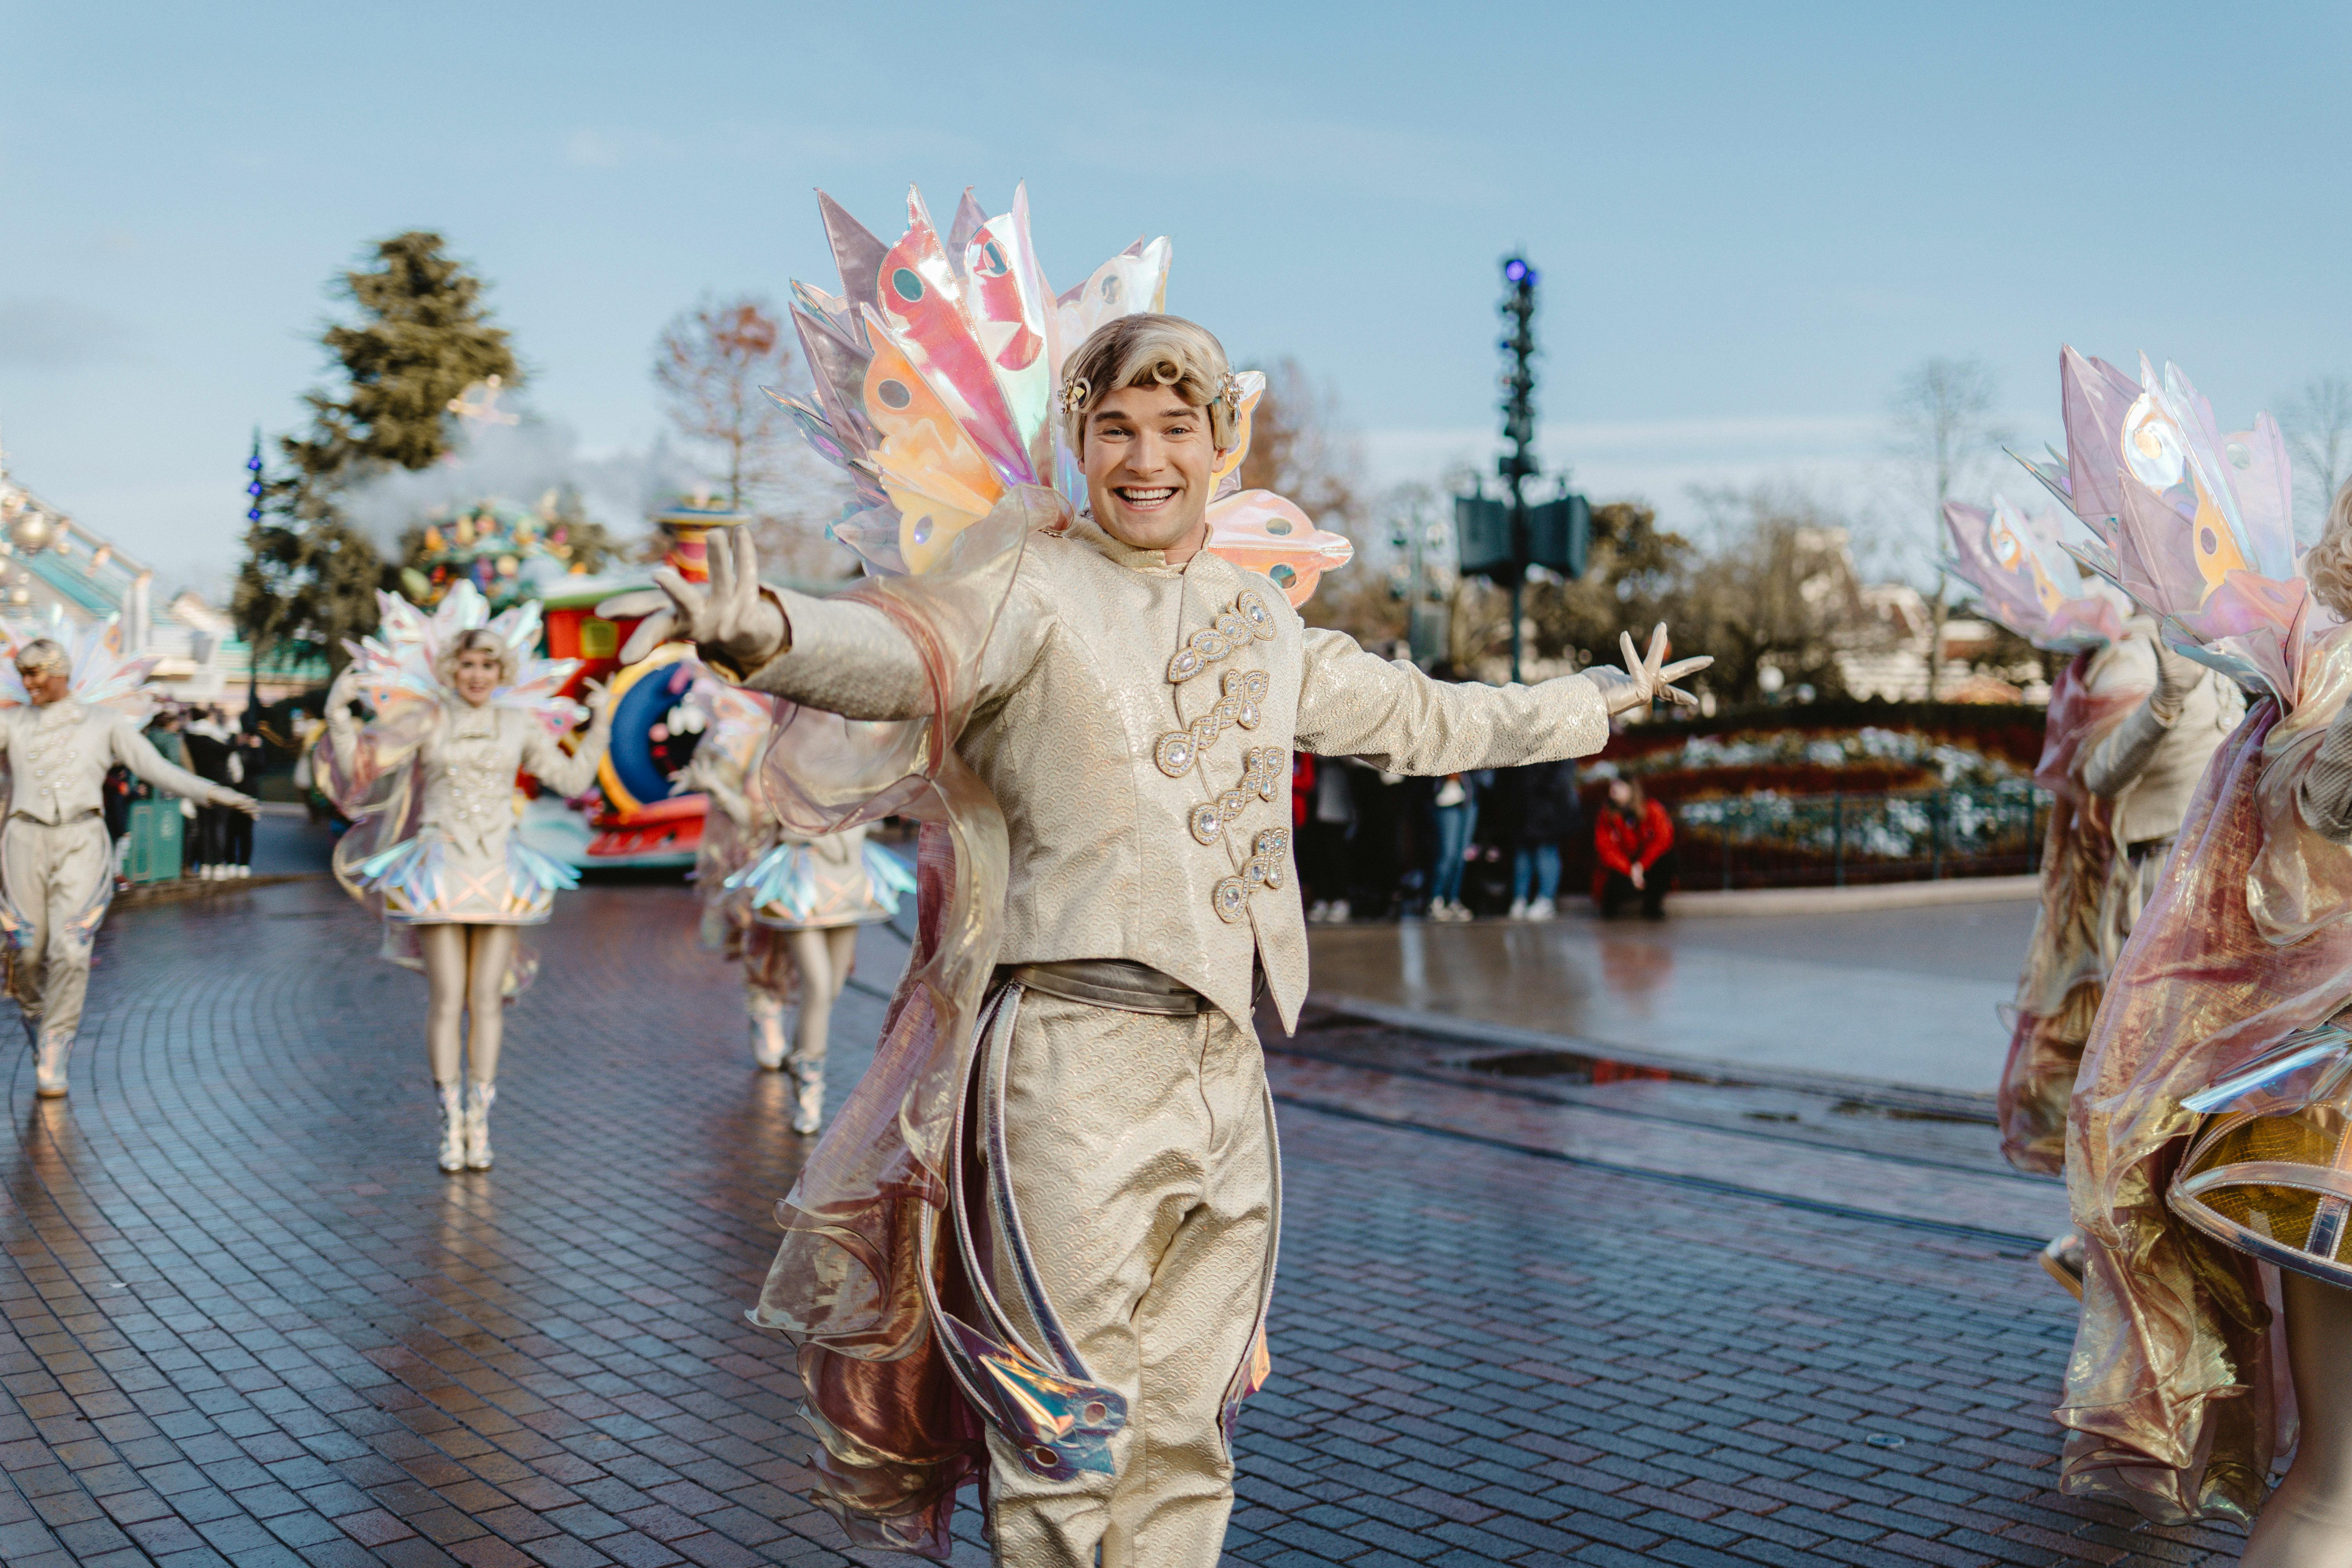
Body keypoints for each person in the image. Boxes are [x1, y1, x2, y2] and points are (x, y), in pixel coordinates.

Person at [613, 310, 1710, 1566]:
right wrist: (766, 630)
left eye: (1176, 427)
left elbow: (1421, 717)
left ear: (1220, 442)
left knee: (1189, 1437)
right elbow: (906, 652)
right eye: (1117, 428)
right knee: (1063, 1436)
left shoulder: (1258, 618)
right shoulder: (1028, 586)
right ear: (1079, 442)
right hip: (1068, 1060)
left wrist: (1595, 701)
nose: (1147, 458)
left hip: (1224, 1068)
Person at [317, 587, 611, 1173]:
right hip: (440, 869)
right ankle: (450, 1124)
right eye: (468, 664)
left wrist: (602, 722)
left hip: (498, 869)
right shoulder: (426, 719)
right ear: (452, 669)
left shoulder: (517, 723)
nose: (477, 675)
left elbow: (573, 779)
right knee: (447, 999)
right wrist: (337, 717)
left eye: (488, 665)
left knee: (487, 1000)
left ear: (503, 672)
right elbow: (361, 771)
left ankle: (480, 1121)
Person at [0, 636, 256, 1096]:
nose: (28, 684)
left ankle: (57, 1044)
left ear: (59, 672)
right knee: (27, 949)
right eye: (23, 676)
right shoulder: (12, 723)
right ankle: (37, 1014)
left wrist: (215, 793)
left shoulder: (104, 723)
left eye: (35, 674)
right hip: (24, 839)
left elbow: (157, 768)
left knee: (72, 946)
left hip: (81, 839)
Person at [1505, 758, 1580, 920]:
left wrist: (1545, 791)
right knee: (1523, 854)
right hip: (1524, 804)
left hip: (1548, 807)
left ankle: (1546, 899)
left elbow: (1562, 775)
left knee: (1545, 852)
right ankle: (1520, 898)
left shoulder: (1559, 749)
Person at [1594, 775, 1674, 919]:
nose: (1613, 791)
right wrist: (1630, 870)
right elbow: (1606, 849)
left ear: (1632, 789)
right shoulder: (1607, 814)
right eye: (1612, 787)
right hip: (1622, 867)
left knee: (1668, 860)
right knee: (1611, 880)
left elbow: (1663, 840)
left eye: (1619, 786)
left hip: (1646, 865)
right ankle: (1610, 907)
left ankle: (1652, 907)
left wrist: (1641, 865)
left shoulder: (1652, 809)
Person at [1425, 767, 1483, 920]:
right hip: (1445, 800)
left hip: (1469, 798)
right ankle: (1436, 899)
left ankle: (1453, 900)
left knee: (1461, 855)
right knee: (1447, 853)